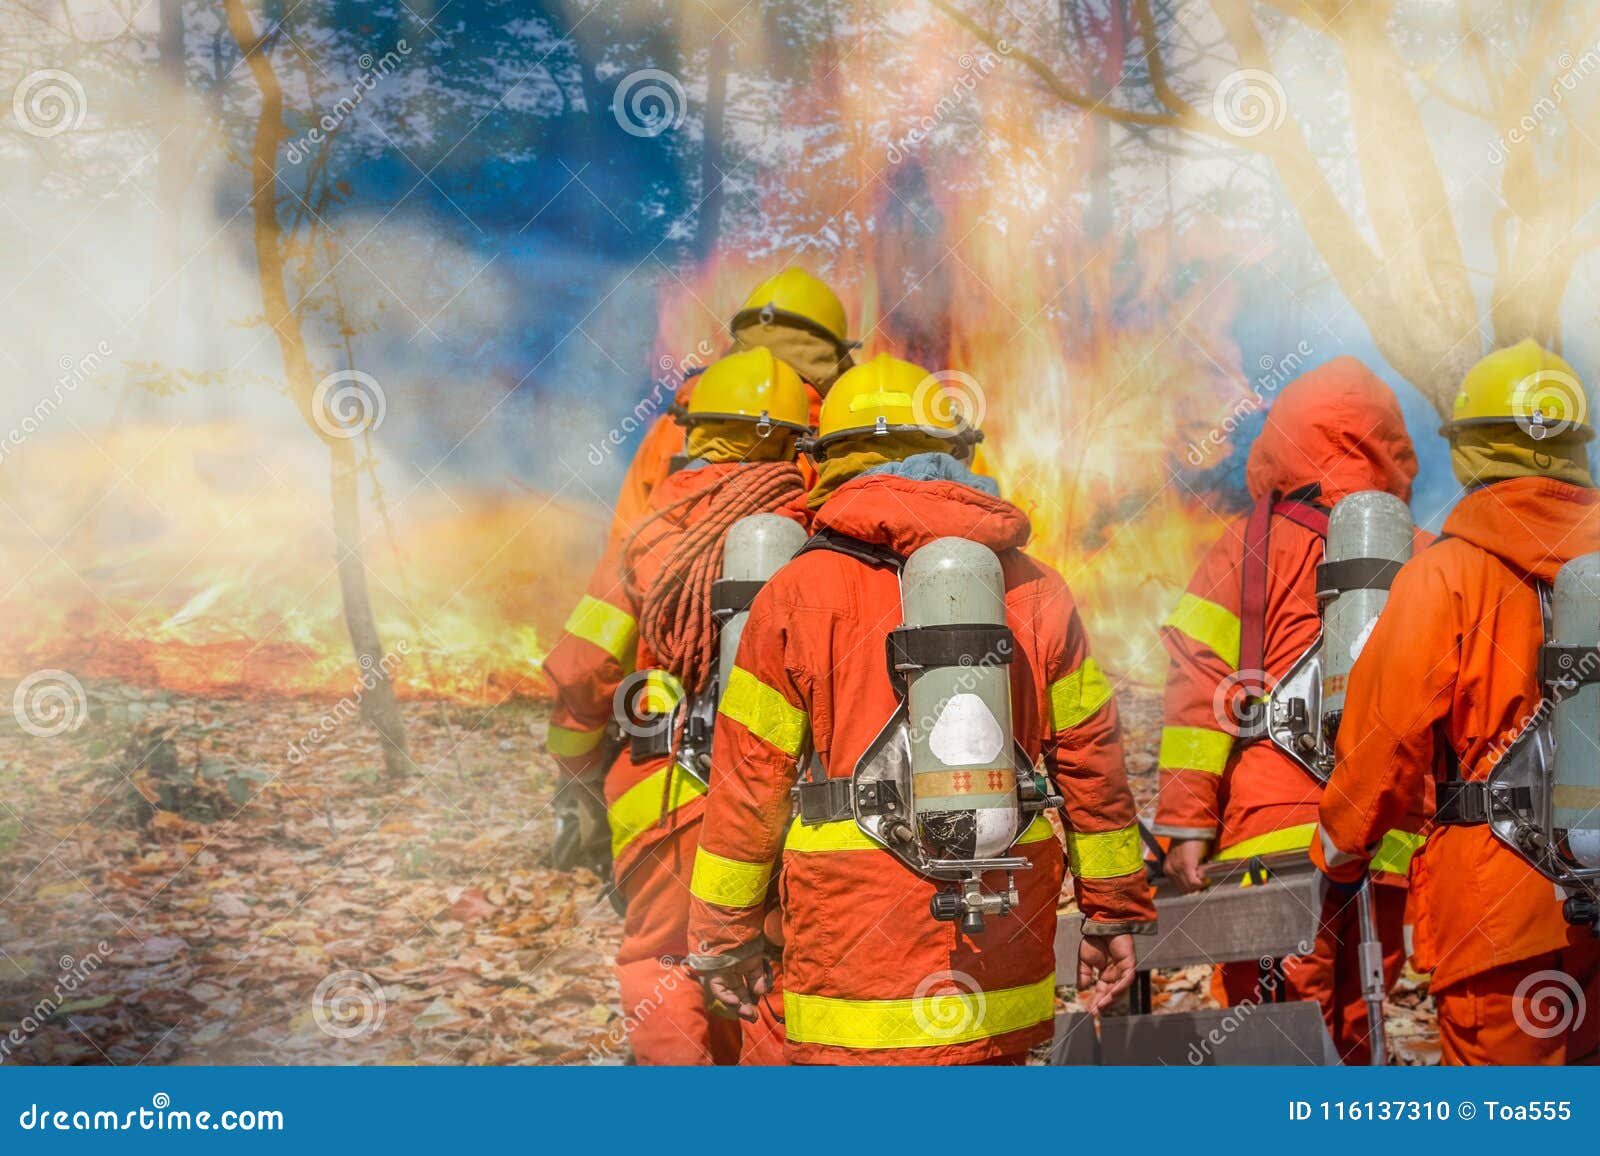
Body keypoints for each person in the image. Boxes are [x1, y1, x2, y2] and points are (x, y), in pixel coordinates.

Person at [684, 353, 1156, 1065]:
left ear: (829, 461)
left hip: (854, 968)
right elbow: (1093, 764)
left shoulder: (796, 591)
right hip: (999, 957)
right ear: (957, 453)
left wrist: (722, 938)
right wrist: (1113, 910)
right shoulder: (1037, 590)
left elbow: (749, 782)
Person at [1313, 340, 1600, 1065]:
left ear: (1471, 452)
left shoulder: (1443, 576)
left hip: (1497, 909)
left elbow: (1386, 736)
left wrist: (1343, 847)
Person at [1152, 357, 1428, 1063]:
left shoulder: (1244, 546)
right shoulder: (1425, 559)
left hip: (1269, 837)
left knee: (1270, 1024)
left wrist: (1186, 823)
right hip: (1384, 834)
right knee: (1361, 1005)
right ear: (1392, 448)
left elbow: (1196, 693)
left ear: (1282, 442)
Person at [541, 348, 812, 1064]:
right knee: (775, 970)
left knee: (663, 964)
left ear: (694, 432)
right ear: (794, 438)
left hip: (668, 800)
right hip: (782, 802)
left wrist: (572, 772)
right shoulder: (815, 529)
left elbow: (582, 669)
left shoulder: (650, 534)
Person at [609, 269, 856, 538]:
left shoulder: (676, 423)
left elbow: (623, 544)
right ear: (833, 352)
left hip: (663, 574)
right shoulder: (838, 437)